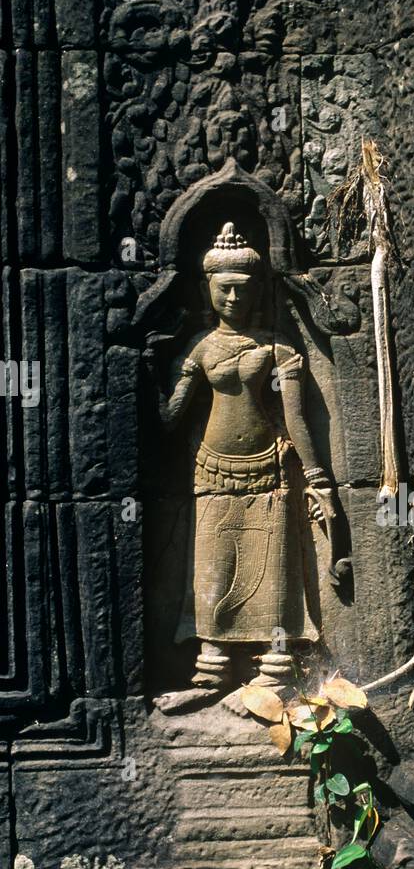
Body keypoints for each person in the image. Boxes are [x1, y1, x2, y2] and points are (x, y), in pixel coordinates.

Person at [152, 222, 332, 713]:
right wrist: (141, 370)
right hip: (211, 470)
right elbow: (170, 417)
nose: (233, 296)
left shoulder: (278, 348)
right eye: (223, 287)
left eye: (243, 288)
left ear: (259, 290)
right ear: (208, 289)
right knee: (211, 569)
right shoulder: (200, 348)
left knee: (273, 572)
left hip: (270, 470)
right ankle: (211, 669)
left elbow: (295, 418)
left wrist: (317, 479)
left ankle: (273, 673)